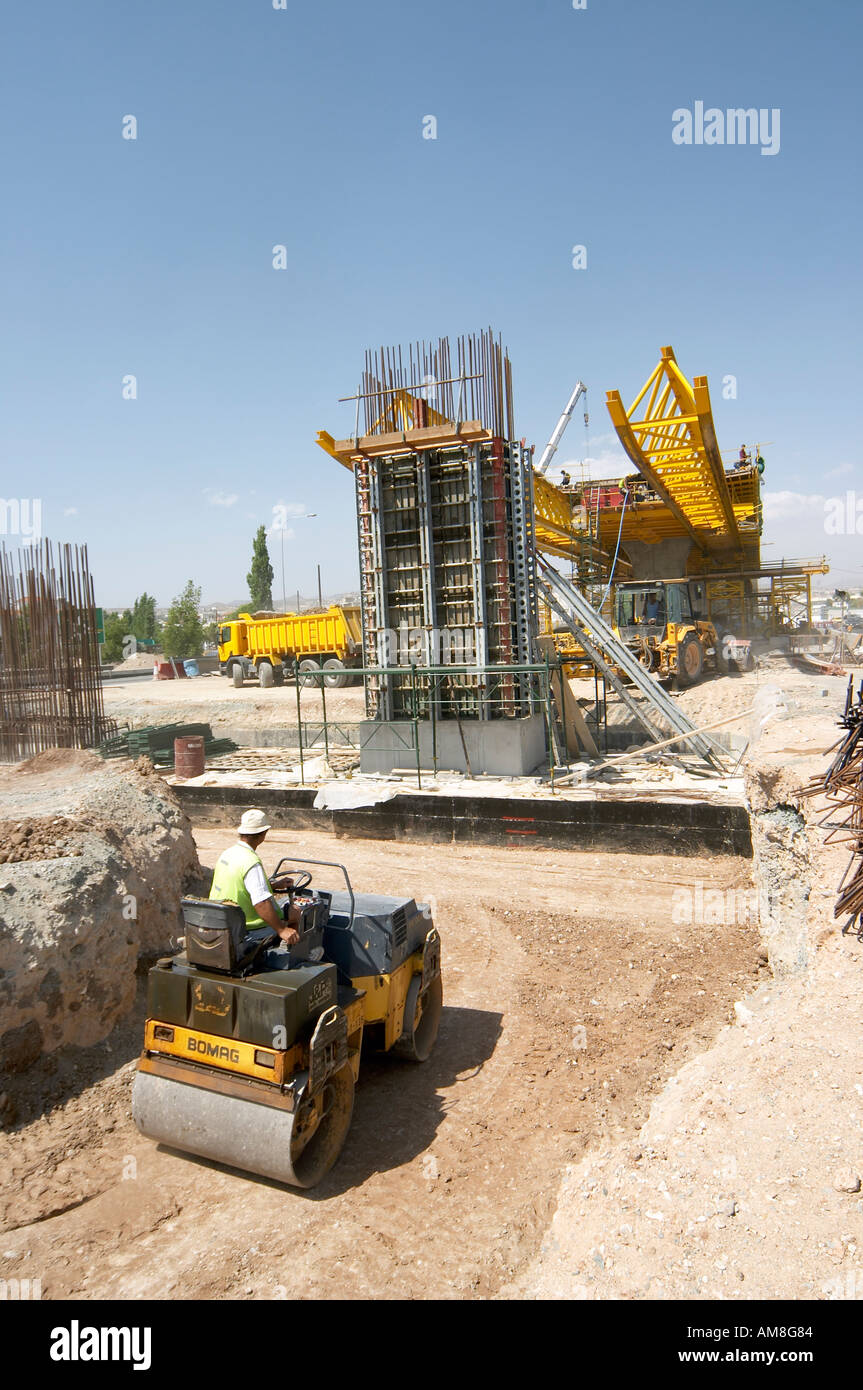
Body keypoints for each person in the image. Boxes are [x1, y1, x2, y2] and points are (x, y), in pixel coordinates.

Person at [209, 808, 300, 944]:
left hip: (223, 922)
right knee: (296, 912)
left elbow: (237, 885)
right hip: (247, 929)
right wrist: (281, 930)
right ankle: (289, 953)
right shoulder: (251, 862)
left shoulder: (227, 854)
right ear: (263, 834)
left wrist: (272, 886)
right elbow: (261, 903)